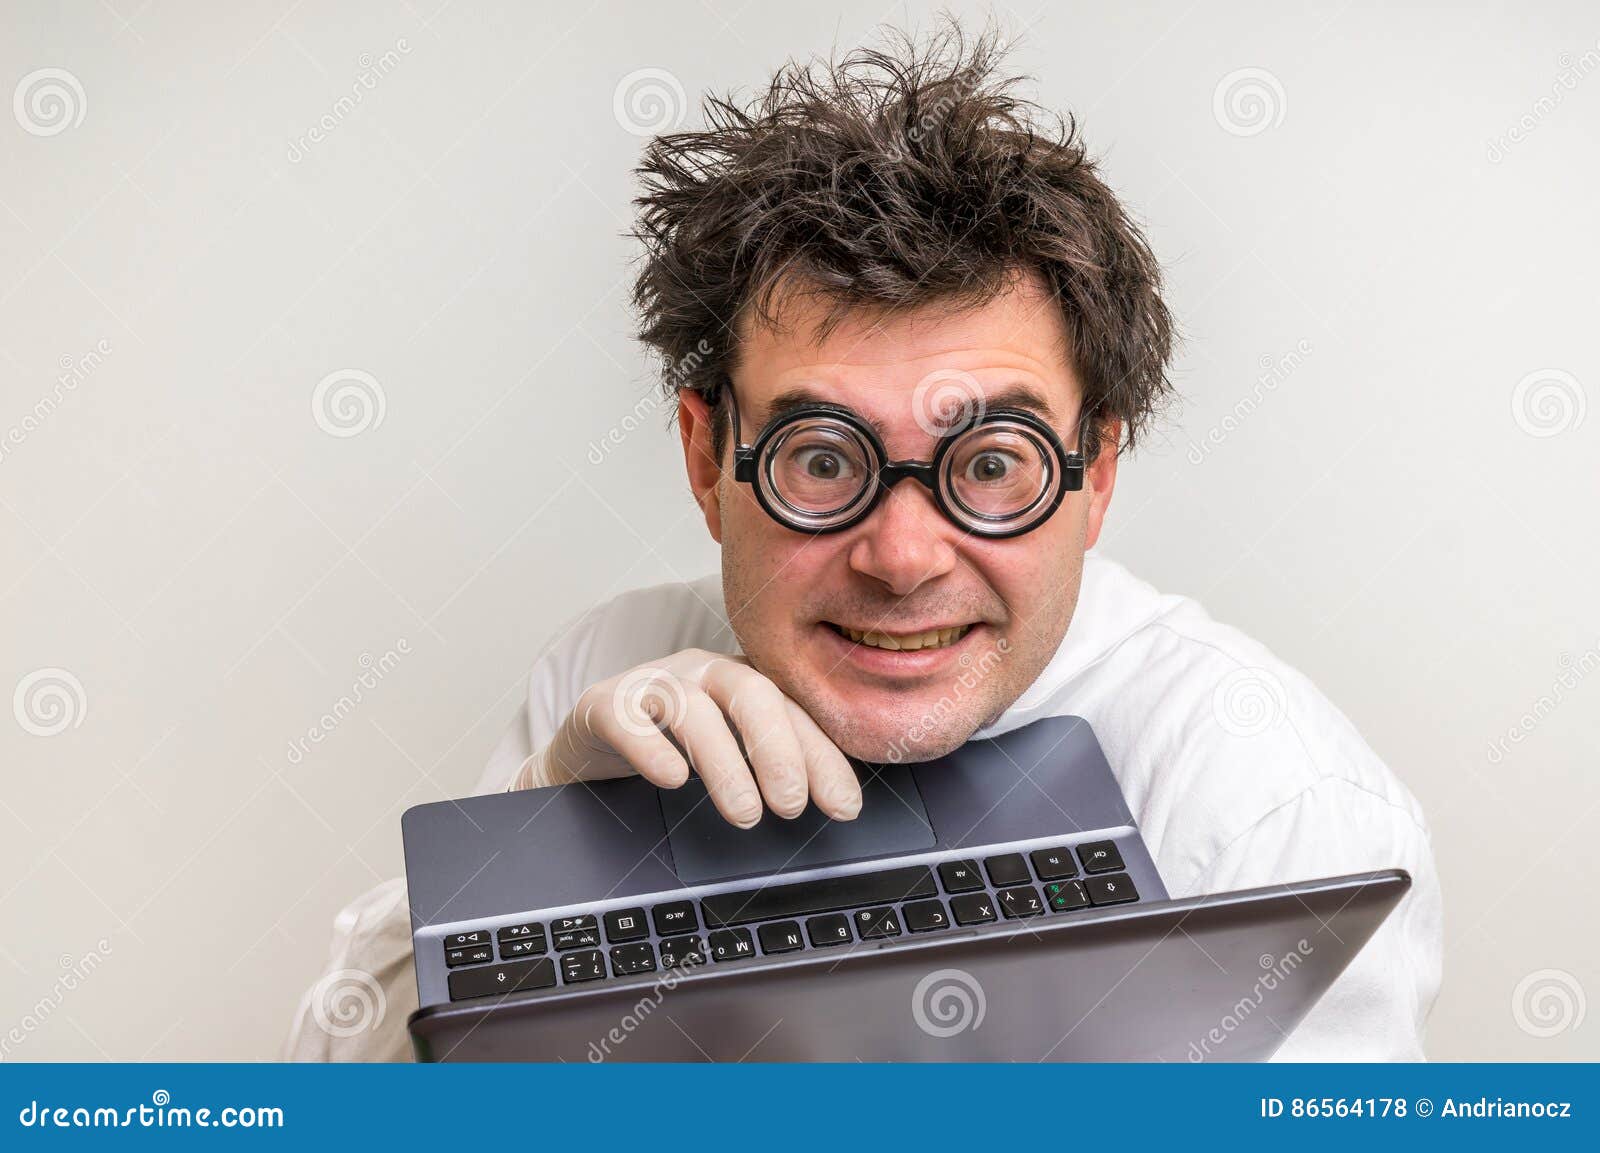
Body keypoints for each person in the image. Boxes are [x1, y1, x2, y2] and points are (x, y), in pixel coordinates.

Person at [285, 26, 1440, 1061]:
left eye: (990, 465)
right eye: (824, 459)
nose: (900, 558)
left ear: (1095, 477)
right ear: (707, 461)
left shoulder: (1272, 801)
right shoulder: (610, 674)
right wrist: (533, 844)